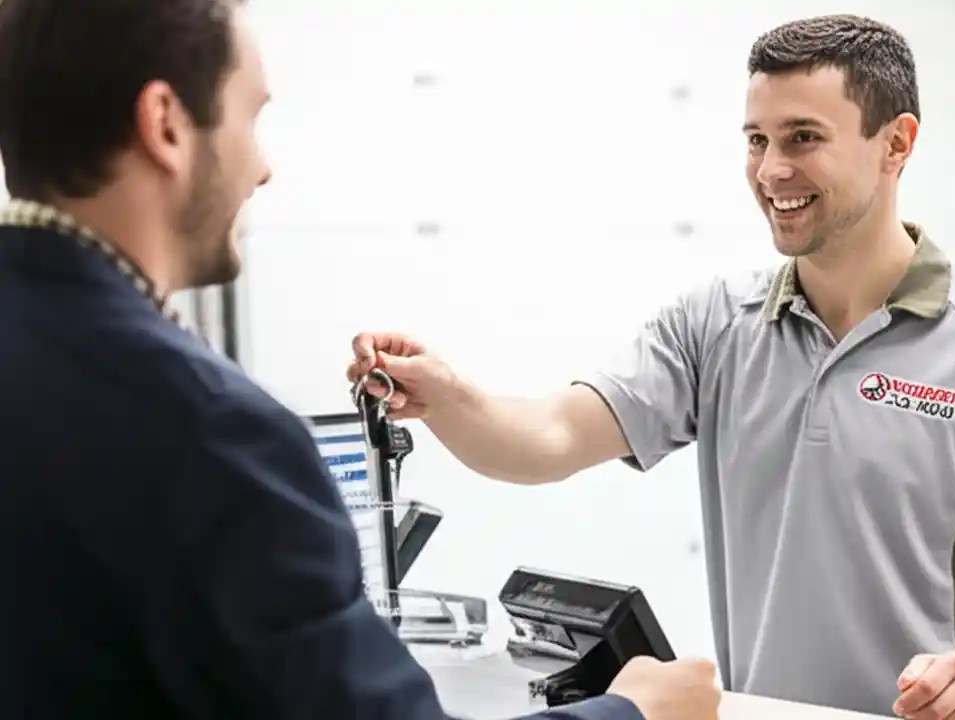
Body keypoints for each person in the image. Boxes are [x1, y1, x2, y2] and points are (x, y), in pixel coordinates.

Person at [346, 13, 955, 720]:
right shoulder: (714, 324)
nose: (771, 171)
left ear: (896, 144)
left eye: (804, 138)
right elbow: (550, 437)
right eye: (757, 140)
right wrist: (449, 398)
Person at [0, 1, 721, 719]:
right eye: (250, 119)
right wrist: (634, 713)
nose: (263, 169)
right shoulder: (209, 435)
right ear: (165, 124)